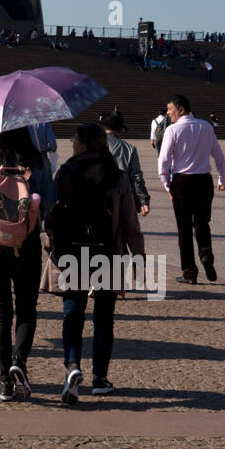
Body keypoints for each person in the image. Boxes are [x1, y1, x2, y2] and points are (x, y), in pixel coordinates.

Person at [42, 123, 144, 403]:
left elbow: (52, 214)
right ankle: (99, 378)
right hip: (107, 252)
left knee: (72, 312)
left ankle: (73, 366)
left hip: (72, 250)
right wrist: (138, 255)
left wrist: (51, 241)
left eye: (75, 140)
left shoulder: (65, 171)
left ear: (82, 145)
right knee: (104, 317)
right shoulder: (117, 175)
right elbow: (130, 222)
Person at [0, 128, 51, 402]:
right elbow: (49, 202)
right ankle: (20, 362)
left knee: (1, 312)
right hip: (26, 244)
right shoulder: (37, 160)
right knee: (27, 309)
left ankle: (5, 379)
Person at [158, 94, 225, 285]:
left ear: (181, 110)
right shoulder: (206, 126)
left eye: (170, 110)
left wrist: (166, 184)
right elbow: (218, 155)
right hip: (204, 181)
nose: (168, 114)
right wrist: (223, 178)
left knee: (184, 229)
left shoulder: (173, 130)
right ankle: (206, 255)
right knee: (203, 223)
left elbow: (163, 161)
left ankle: (190, 272)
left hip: (182, 182)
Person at [102, 113, 149, 217]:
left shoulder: (89, 145)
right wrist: (143, 200)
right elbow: (136, 177)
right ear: (119, 129)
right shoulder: (129, 149)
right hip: (121, 198)